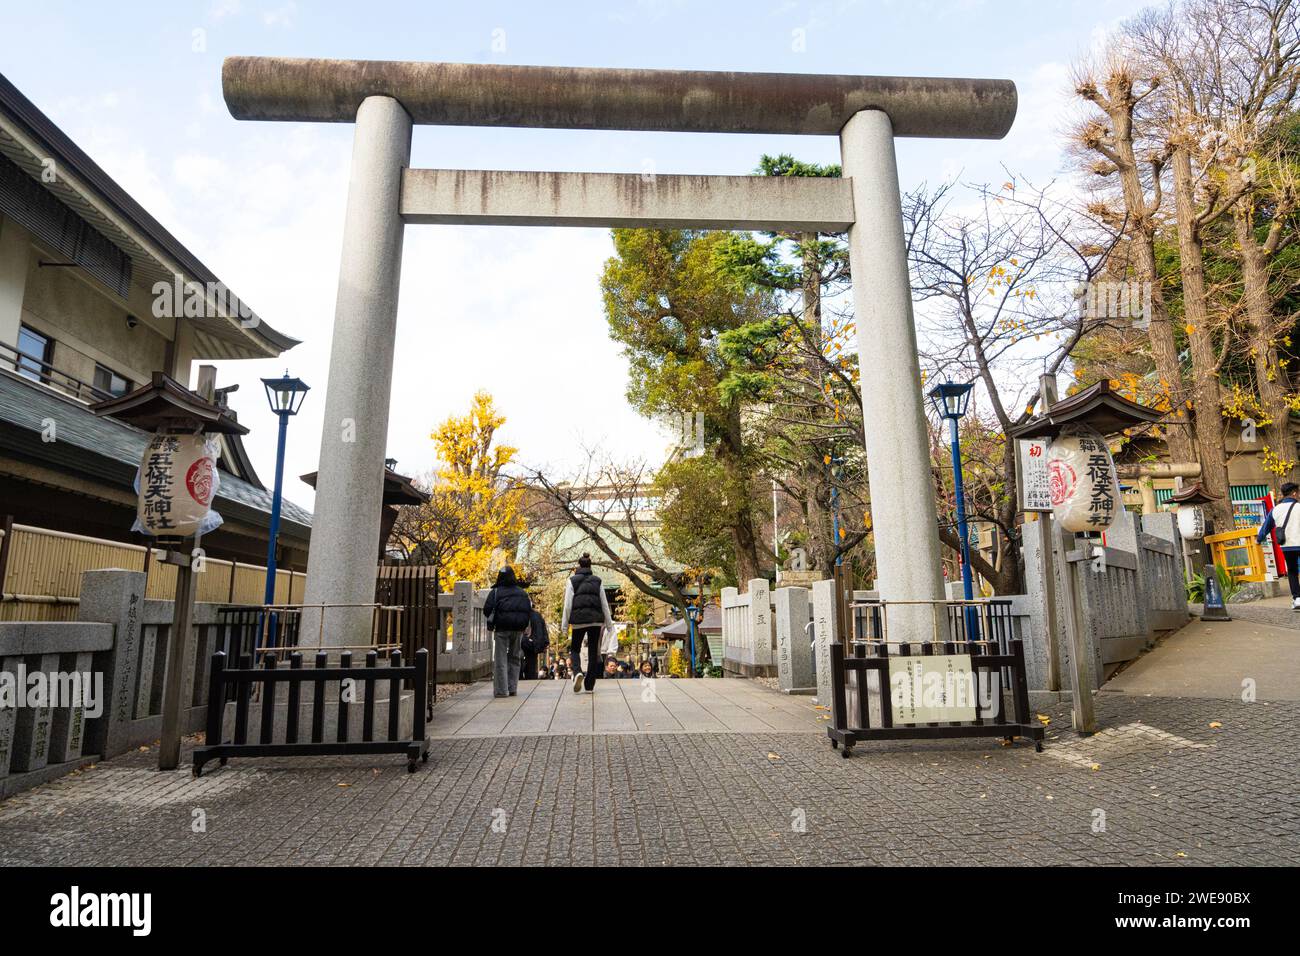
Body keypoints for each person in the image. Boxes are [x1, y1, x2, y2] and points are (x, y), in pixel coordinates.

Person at [561, 553, 613, 693]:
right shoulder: (598, 581)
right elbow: (604, 604)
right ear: (590, 566)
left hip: (578, 621)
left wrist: (564, 626)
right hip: (595, 621)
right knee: (592, 652)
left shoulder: (572, 581)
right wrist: (609, 625)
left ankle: (577, 671)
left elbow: (567, 605)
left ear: (578, 566)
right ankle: (589, 684)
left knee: (575, 649)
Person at [483, 566, 532, 697]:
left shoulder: (496, 592)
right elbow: (528, 610)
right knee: (515, 658)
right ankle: (512, 688)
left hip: (501, 628)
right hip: (518, 629)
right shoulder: (522, 593)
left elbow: (487, 609)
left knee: (500, 659)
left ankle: (501, 690)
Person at [1258, 482, 1300, 609]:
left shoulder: (1275, 509)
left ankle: (1297, 599)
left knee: (1292, 571)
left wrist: (1259, 539)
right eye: (1298, 492)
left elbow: (1266, 527)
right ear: (1294, 493)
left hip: (1287, 546)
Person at [521, 606, 549, 682]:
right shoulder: (537, 615)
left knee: (519, 663)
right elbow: (543, 630)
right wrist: (544, 642)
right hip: (533, 644)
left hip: (524, 642)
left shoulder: (521, 613)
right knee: (531, 666)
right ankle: (531, 681)